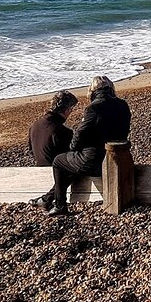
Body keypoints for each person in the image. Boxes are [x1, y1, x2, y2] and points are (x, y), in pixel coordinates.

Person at [46, 75, 131, 216]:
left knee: (59, 161)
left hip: (95, 161)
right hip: (119, 156)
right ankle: (48, 197)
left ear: (92, 90)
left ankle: (60, 204)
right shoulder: (123, 105)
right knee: (72, 163)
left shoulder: (94, 108)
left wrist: (73, 148)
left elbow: (80, 133)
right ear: (111, 88)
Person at [28, 90, 79, 209]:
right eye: (71, 110)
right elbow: (70, 156)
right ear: (66, 110)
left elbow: (31, 149)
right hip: (54, 171)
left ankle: (46, 199)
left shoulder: (35, 125)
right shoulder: (62, 132)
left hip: (39, 165)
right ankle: (48, 199)